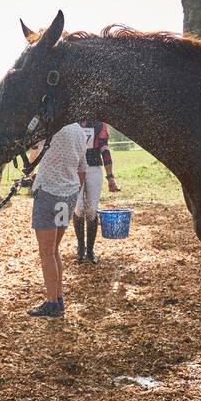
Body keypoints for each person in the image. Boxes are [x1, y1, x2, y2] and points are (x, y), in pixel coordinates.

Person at [27, 122, 86, 318]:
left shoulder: (48, 127)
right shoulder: (78, 130)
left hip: (48, 193)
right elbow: (82, 168)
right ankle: (58, 298)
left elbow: (29, 148)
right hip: (68, 194)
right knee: (54, 250)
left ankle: (52, 303)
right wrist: (74, 191)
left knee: (46, 253)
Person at [73, 121, 120, 264]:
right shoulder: (73, 121)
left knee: (92, 209)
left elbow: (105, 149)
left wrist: (110, 176)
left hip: (94, 168)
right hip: (75, 169)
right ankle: (81, 248)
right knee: (79, 208)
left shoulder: (100, 124)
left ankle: (90, 251)